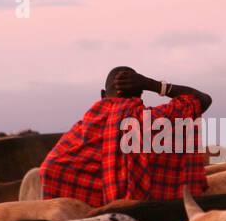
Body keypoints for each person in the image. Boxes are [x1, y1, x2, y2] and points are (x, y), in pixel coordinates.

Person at [39, 67, 213, 206]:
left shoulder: (84, 128)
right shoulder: (153, 121)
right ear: (141, 95)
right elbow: (203, 100)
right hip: (148, 216)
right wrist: (153, 84)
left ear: (102, 95)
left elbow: (49, 168)